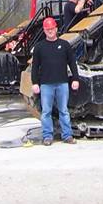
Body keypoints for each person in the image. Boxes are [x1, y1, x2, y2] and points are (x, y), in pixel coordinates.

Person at [31, 17, 80, 145]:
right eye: (48, 29)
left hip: (62, 83)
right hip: (46, 85)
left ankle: (67, 135)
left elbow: (72, 63)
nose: (50, 31)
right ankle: (47, 136)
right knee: (46, 111)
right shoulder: (39, 47)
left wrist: (75, 78)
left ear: (56, 29)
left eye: (52, 29)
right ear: (44, 30)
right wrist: (35, 83)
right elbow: (35, 67)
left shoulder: (64, 45)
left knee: (63, 110)